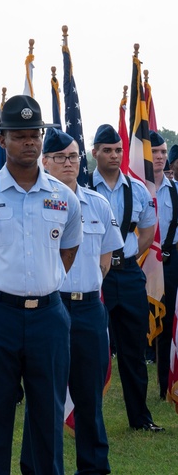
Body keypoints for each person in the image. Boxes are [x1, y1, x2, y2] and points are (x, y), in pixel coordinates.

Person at [0, 95, 82, 475]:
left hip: (49, 318)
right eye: (20, 135)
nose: (29, 142)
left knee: (47, 415)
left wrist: (43, 283)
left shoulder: (64, 198)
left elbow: (68, 250)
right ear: (3, 139)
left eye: (34, 135)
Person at [23, 128, 123, 474]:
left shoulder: (98, 203)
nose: (69, 163)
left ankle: (94, 467)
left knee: (89, 396)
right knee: (42, 395)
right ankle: (38, 466)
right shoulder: (32, 203)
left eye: (74, 156)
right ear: (45, 161)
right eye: (61, 157)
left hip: (89, 310)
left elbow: (105, 260)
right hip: (50, 307)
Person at [89, 123, 164, 431]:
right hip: (95, 276)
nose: (114, 155)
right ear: (94, 153)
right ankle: (88, 418)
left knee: (133, 349)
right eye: (107, 150)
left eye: (118, 150)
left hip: (129, 273)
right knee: (92, 348)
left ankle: (140, 419)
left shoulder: (136, 189)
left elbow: (147, 231)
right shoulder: (82, 187)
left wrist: (126, 255)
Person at [151, 132, 178, 401]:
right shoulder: (134, 188)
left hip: (171, 263)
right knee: (140, 324)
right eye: (154, 152)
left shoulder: (176, 190)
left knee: (168, 322)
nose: (159, 157)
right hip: (140, 262)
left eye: (162, 152)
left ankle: (164, 386)